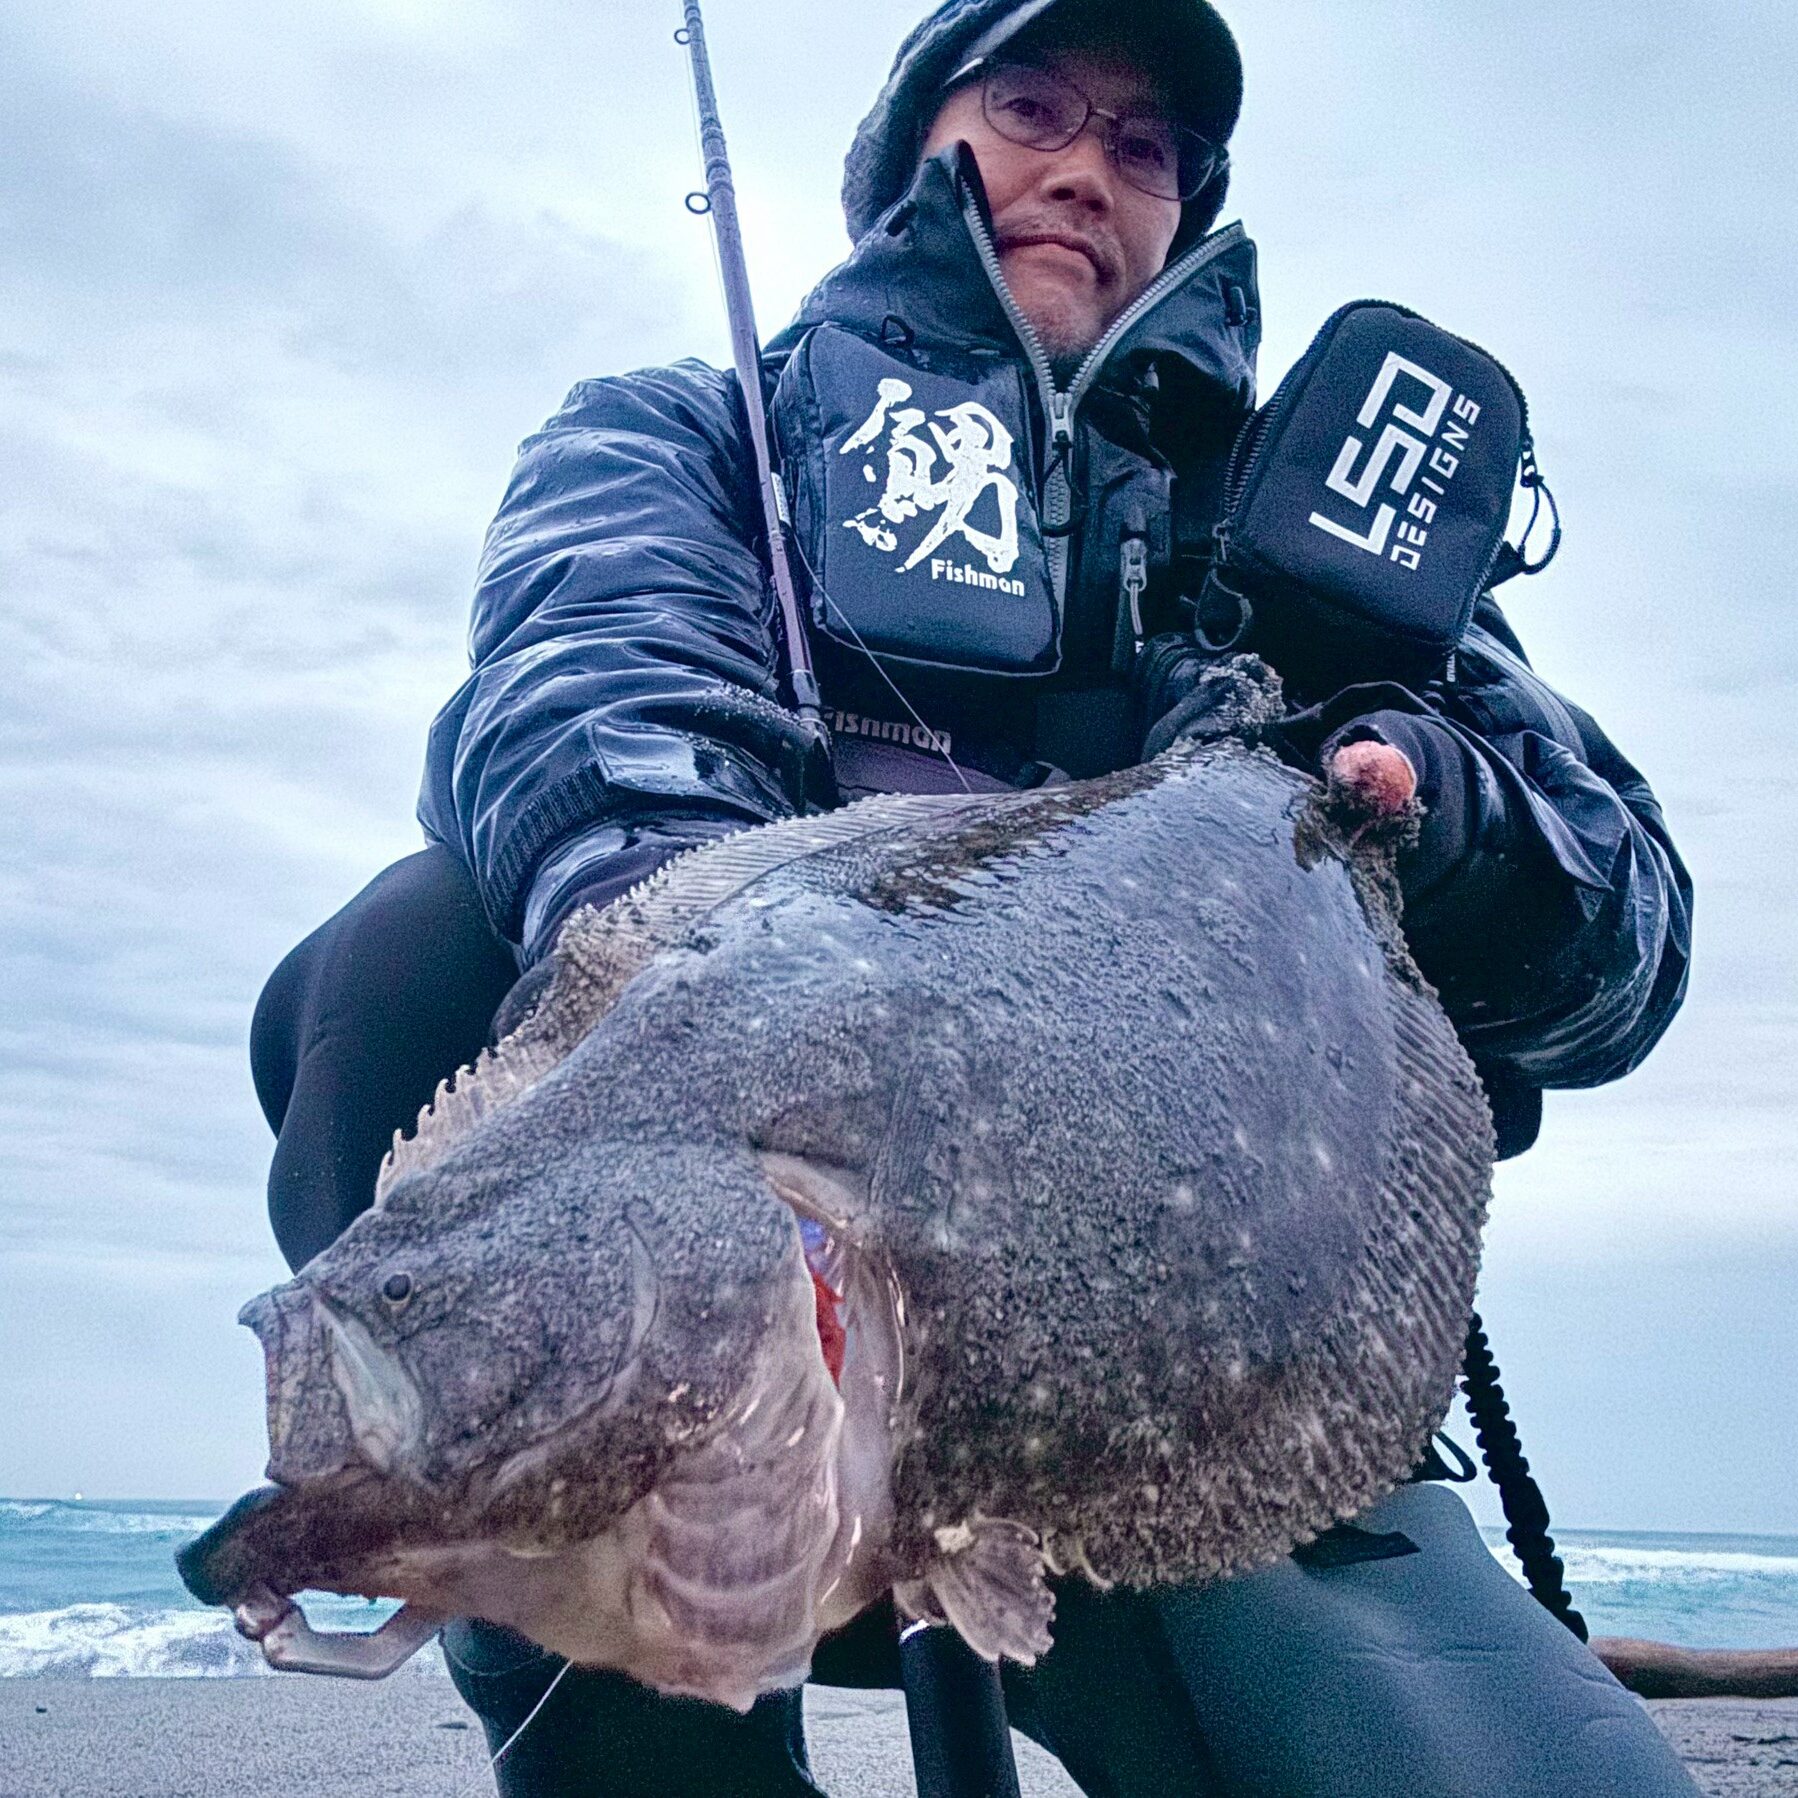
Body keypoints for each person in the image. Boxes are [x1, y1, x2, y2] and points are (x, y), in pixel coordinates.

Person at [248, 1, 1698, 1792]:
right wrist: (746, 1061)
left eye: (1143, 147)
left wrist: (1448, 814)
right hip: (740, 1359)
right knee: (399, 955)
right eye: (1029, 107)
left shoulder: (1318, 556)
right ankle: (614, 1683)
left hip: (1192, 1349)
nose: (1085, 168)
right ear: (904, 156)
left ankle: (1286, 1606)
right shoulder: (691, 437)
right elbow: (589, 718)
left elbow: (1625, 943)